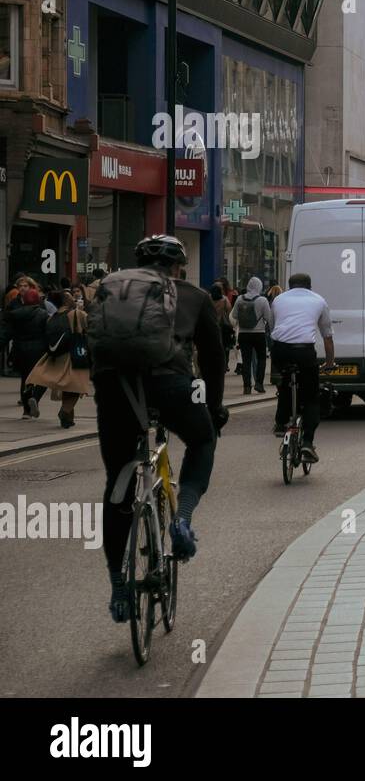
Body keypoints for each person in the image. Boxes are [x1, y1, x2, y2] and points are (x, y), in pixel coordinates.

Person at [91, 235, 226, 622]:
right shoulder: (195, 297)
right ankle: (182, 519)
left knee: (117, 482)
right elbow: (214, 360)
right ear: (178, 267)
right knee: (201, 440)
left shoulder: (114, 292)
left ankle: (119, 586)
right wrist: (213, 409)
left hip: (116, 388)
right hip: (169, 385)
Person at [269, 273, 335, 464]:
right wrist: (329, 364)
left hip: (280, 349)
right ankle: (307, 442)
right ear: (309, 286)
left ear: (290, 286)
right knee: (312, 396)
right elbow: (327, 337)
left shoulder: (279, 299)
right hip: (304, 352)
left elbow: (274, 327)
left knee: (284, 384)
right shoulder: (319, 301)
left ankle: (281, 423)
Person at [26, 289, 91, 428]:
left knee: (63, 383)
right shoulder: (76, 313)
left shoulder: (51, 317)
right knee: (75, 386)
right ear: (65, 301)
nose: (73, 299)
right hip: (75, 354)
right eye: (69, 297)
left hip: (56, 355)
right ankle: (65, 412)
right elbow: (92, 325)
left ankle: (67, 418)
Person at [6, 287, 49, 419]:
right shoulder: (43, 314)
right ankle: (35, 398)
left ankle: (26, 411)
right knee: (44, 377)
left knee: (25, 379)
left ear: (23, 301)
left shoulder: (14, 314)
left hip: (20, 349)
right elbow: (47, 333)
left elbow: (8, 333)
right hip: (38, 350)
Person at [234, 276, 273, 395]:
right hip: (258, 334)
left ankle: (246, 387)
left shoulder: (240, 299)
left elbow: (235, 315)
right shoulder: (262, 300)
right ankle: (259, 384)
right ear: (259, 286)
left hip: (243, 334)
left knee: (246, 361)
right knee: (261, 359)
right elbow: (269, 318)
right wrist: (272, 331)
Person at [210, 283, 236, 372]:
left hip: (211, 325)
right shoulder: (224, 299)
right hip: (223, 326)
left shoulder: (208, 298)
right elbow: (229, 310)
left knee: (213, 345)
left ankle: (214, 363)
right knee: (225, 346)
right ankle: (224, 364)